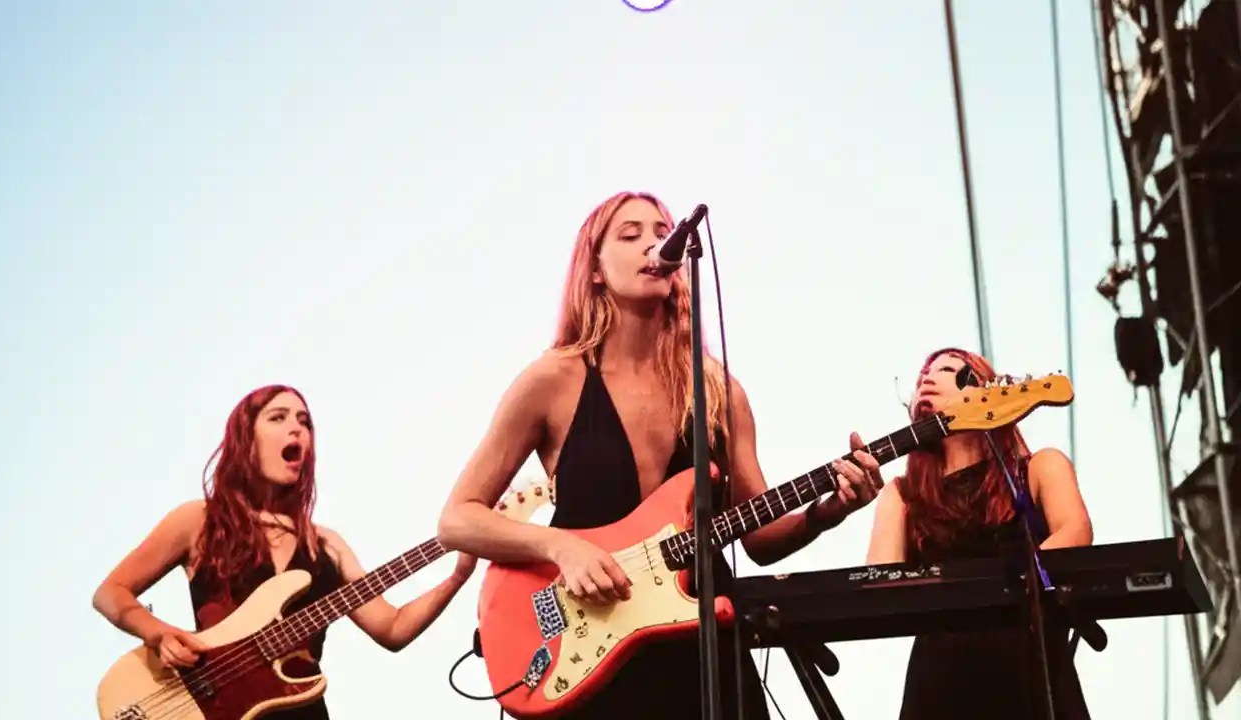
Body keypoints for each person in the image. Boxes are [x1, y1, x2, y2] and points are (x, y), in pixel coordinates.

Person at [436, 191, 883, 720]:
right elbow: (457, 519)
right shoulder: (552, 381)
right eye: (630, 235)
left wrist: (827, 511)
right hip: (588, 653)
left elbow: (759, 537)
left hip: (700, 654)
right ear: (595, 270)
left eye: (661, 230)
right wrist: (561, 548)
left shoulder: (717, 391)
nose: (654, 243)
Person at [93, 384, 474, 719]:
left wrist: (458, 574)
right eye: (278, 417)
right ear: (247, 438)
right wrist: (160, 634)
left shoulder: (326, 545)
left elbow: (392, 628)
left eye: (305, 421)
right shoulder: (199, 520)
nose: (298, 428)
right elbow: (110, 593)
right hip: (210, 705)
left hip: (301, 712)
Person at [865, 348, 1094, 719]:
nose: (927, 378)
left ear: (983, 388)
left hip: (1028, 659)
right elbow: (879, 580)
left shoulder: (1038, 467)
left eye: (947, 370)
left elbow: (1076, 530)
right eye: (924, 372)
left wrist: (1008, 588)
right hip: (940, 678)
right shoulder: (902, 494)